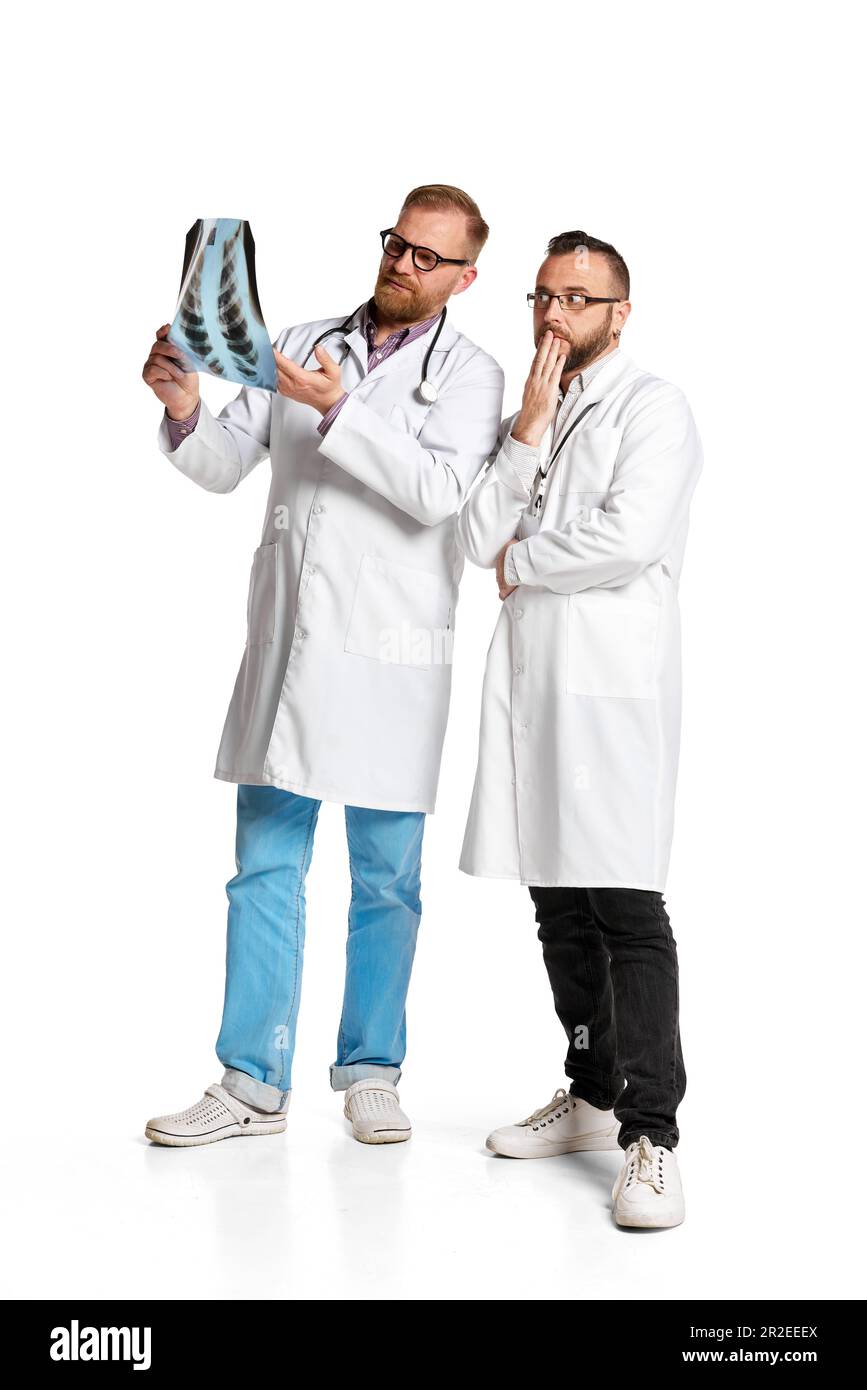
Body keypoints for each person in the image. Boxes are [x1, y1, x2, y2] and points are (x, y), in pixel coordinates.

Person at [140, 185, 504, 1147]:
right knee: (263, 868)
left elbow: (437, 495)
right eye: (398, 244)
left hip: (392, 656)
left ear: (464, 278)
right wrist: (185, 405)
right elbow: (223, 464)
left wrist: (340, 407)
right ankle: (250, 1083)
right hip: (292, 646)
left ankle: (372, 1071)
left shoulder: (471, 375)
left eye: (430, 258)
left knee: (386, 879)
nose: (403, 265)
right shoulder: (302, 339)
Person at [457, 230, 703, 1227]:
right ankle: (593, 1093)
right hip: (534, 684)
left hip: (608, 685)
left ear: (619, 313)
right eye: (543, 297)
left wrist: (528, 560)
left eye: (577, 299)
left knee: (625, 906)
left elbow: (628, 538)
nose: (553, 316)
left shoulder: (656, 408)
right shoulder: (534, 410)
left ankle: (653, 1134)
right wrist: (526, 429)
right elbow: (477, 535)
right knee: (556, 897)